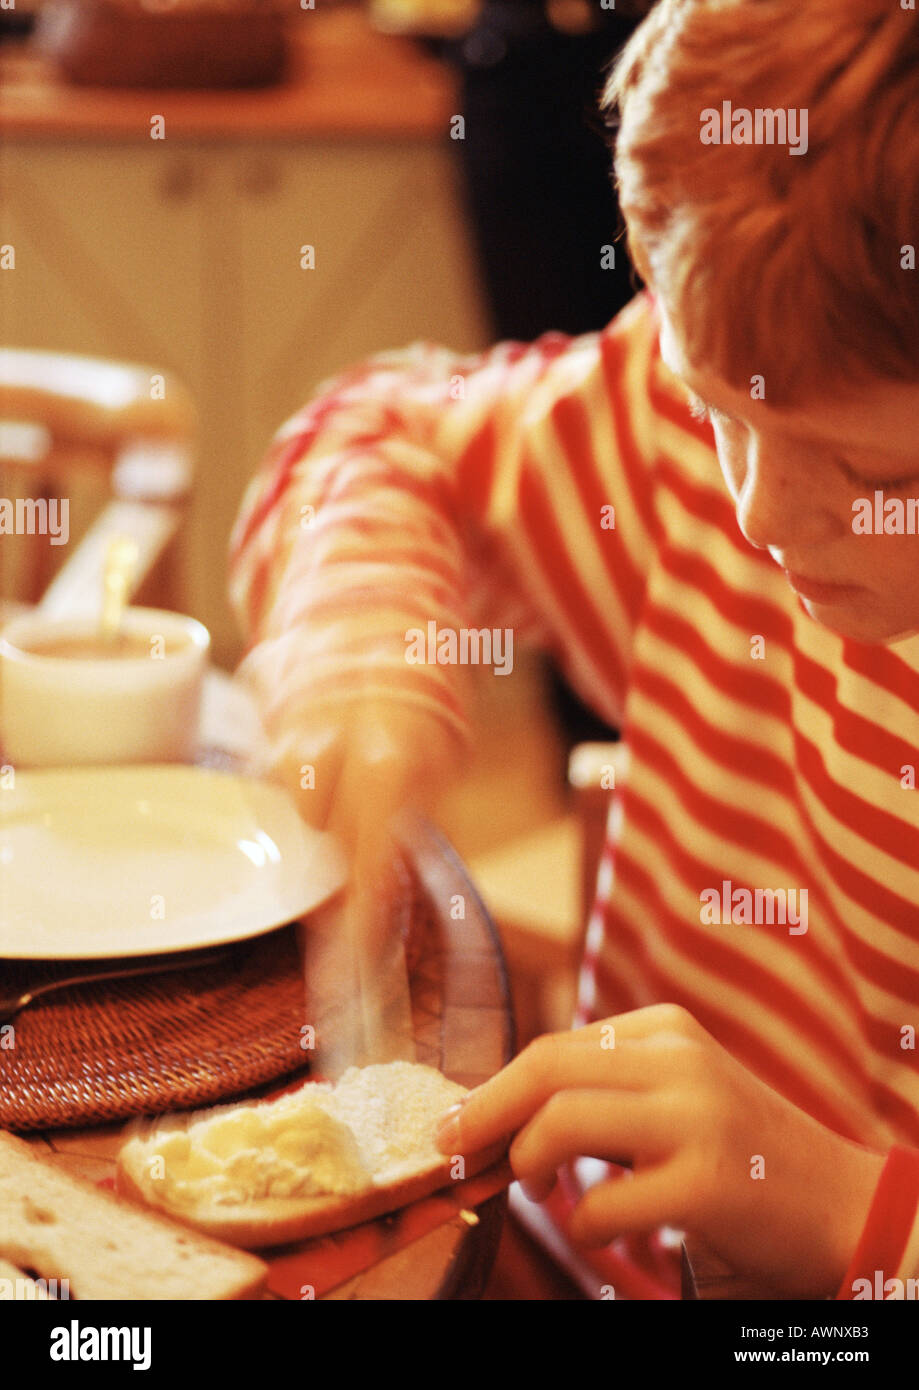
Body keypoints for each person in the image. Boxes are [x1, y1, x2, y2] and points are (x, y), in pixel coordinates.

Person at [228, 0, 919, 1299]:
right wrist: (364, 642)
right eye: (721, 406)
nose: (761, 515)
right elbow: (377, 435)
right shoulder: (681, 445)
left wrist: (857, 1222)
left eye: (868, 466)